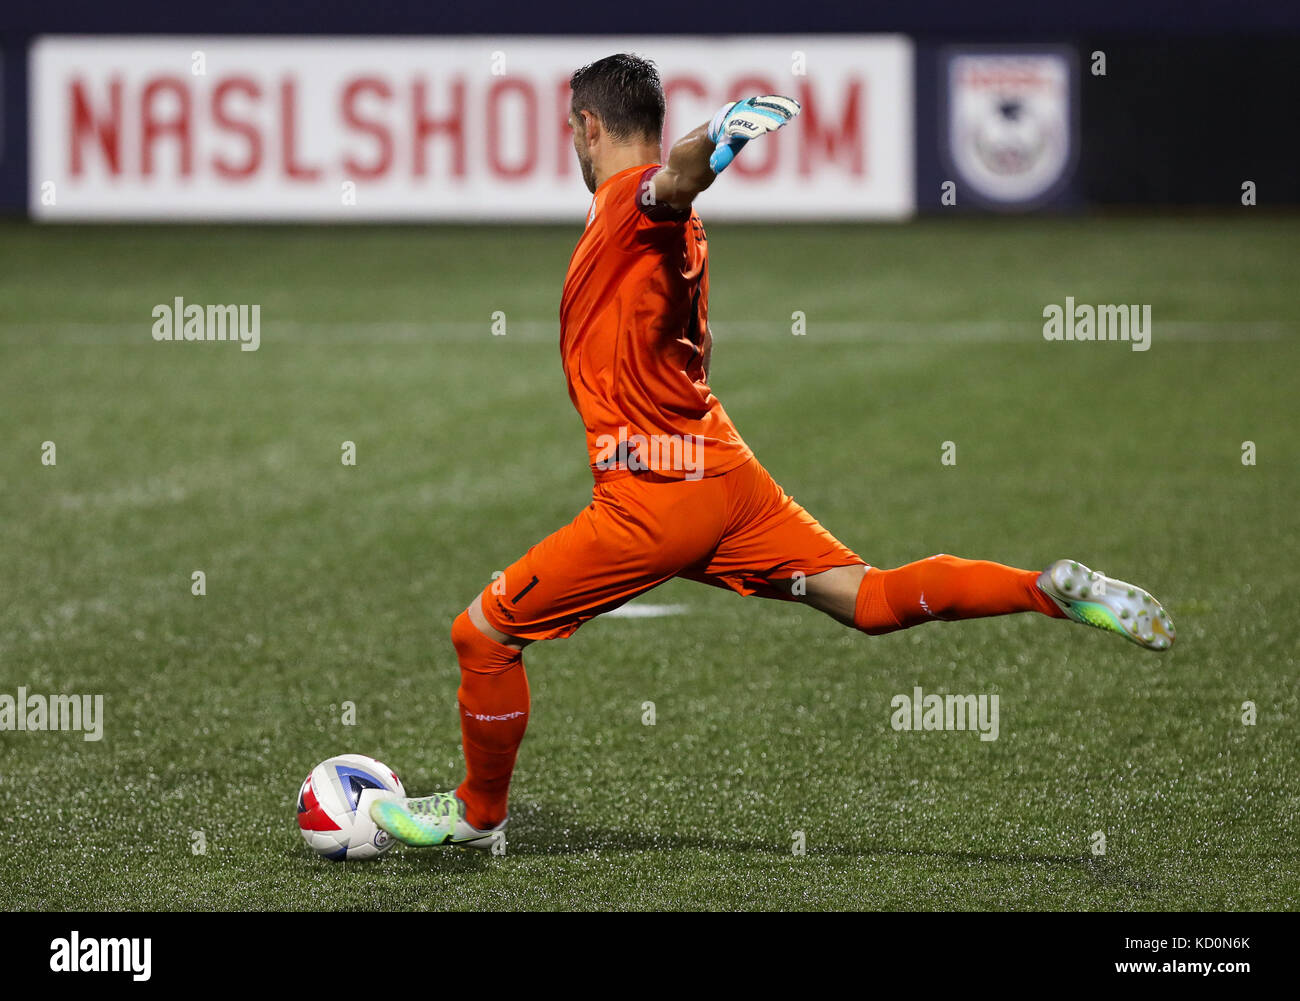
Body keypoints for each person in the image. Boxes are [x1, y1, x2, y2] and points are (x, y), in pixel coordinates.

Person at [371, 53, 1174, 852]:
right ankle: (1050, 590)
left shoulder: (630, 202)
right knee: (867, 597)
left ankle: (479, 814)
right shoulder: (670, 233)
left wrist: (716, 140)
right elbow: (687, 263)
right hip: (722, 471)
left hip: (654, 494)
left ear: (588, 126)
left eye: (570, 132)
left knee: (482, 634)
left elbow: (672, 181)